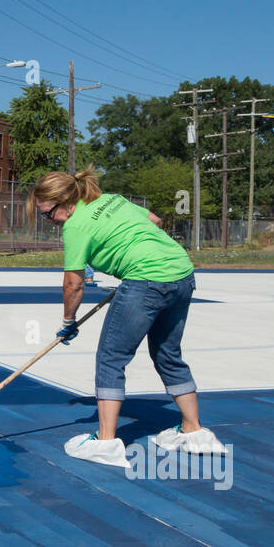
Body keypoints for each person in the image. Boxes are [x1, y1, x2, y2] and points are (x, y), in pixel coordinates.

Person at [28, 166, 225, 466]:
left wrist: (68, 322)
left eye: (48, 214)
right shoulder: (112, 200)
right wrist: (141, 257)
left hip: (146, 281)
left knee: (111, 358)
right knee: (167, 354)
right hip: (182, 274)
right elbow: (155, 222)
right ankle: (193, 431)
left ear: (65, 202)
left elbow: (74, 283)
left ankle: (106, 443)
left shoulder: (76, 226)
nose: (49, 221)